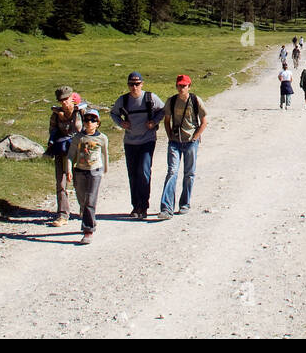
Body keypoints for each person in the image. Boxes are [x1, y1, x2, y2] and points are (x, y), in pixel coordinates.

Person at [109, 71, 165, 220]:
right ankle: (136, 206)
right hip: (130, 142)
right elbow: (113, 113)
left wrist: (154, 122)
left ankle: (144, 206)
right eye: (131, 84)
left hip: (147, 140)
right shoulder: (123, 100)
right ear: (128, 85)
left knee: (144, 172)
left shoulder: (150, 98)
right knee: (133, 174)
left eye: (137, 84)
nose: (134, 87)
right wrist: (121, 123)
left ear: (142, 84)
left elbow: (163, 110)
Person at [160, 74, 209, 218]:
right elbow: (166, 120)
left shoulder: (195, 100)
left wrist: (195, 137)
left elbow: (204, 120)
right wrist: (170, 137)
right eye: (179, 85)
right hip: (175, 142)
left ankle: (184, 203)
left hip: (190, 142)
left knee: (189, 174)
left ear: (189, 86)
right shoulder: (172, 101)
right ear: (176, 86)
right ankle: (166, 208)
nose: (182, 88)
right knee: (172, 172)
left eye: (184, 85)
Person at [69, 106, 109, 244]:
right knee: (82, 199)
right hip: (80, 170)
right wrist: (69, 170)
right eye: (87, 120)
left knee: (90, 200)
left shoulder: (103, 138)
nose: (89, 123)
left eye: (93, 120)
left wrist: (104, 170)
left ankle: (88, 230)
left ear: (98, 123)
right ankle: (88, 218)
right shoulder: (78, 138)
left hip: (95, 171)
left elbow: (105, 154)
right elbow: (70, 155)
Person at [46, 85, 84, 227]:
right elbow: (52, 131)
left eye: (66, 99)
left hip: (80, 152)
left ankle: (84, 209)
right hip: (62, 151)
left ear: (72, 98)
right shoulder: (56, 114)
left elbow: (90, 129)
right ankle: (62, 214)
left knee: (79, 182)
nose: (64, 103)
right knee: (61, 183)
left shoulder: (81, 111)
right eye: (61, 100)